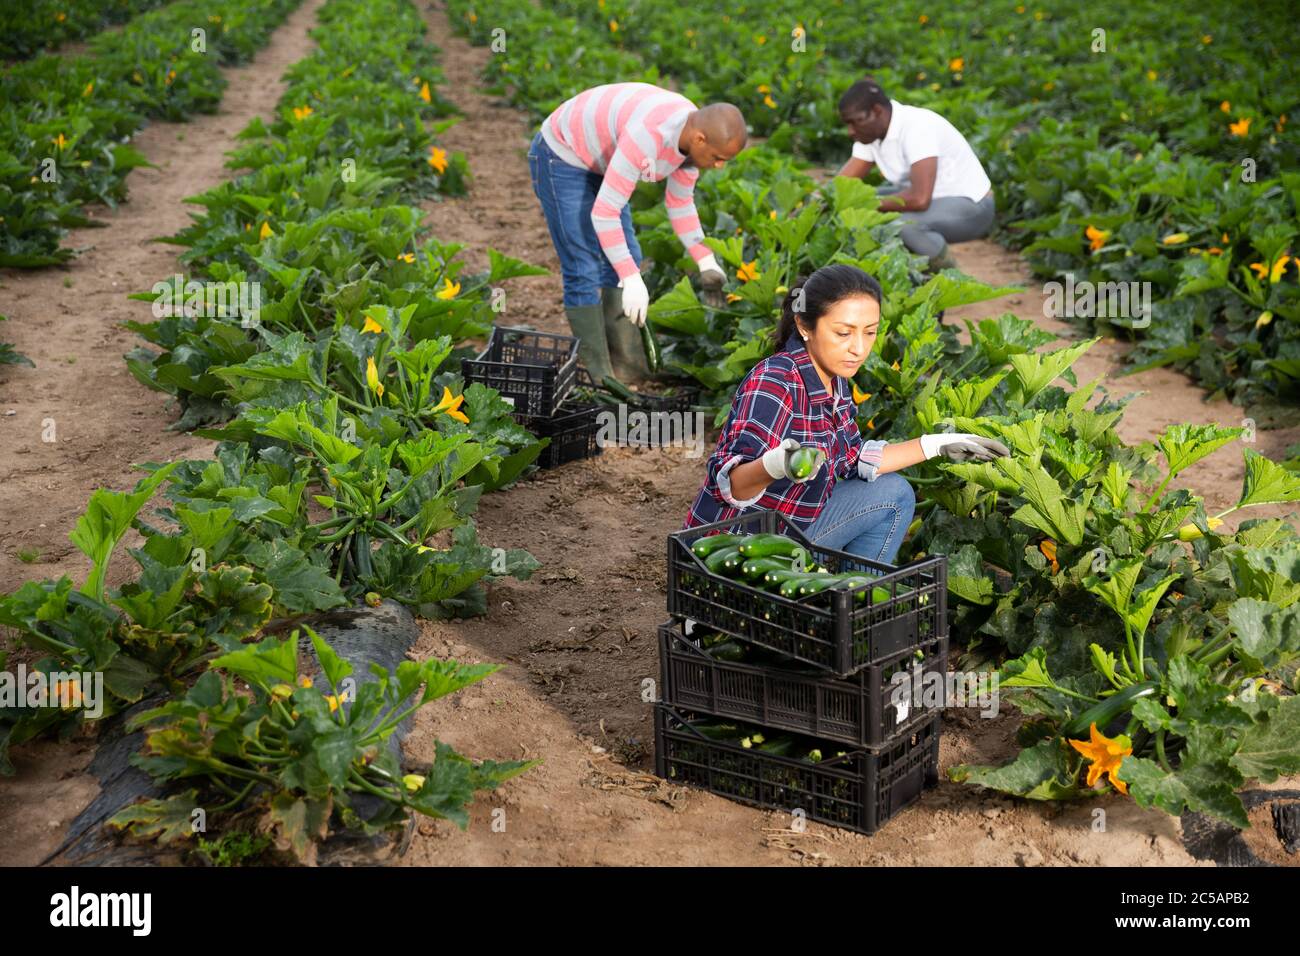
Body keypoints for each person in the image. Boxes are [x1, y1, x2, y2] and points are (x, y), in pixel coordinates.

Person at [683, 264, 1010, 563]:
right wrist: (775, 465)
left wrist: (937, 444)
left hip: (788, 529)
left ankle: (853, 601)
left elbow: (851, 459)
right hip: (732, 551)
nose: (859, 348)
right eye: (843, 332)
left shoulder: (833, 381)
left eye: (870, 332)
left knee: (895, 492)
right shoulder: (774, 382)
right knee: (893, 497)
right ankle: (857, 605)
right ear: (804, 325)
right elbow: (735, 486)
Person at [528, 82, 747, 382]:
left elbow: (681, 205)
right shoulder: (648, 137)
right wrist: (631, 278)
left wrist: (706, 261)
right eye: (719, 158)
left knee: (627, 254)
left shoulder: (691, 145)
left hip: (604, 159)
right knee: (584, 265)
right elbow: (605, 212)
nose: (720, 167)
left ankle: (627, 366)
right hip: (563, 154)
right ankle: (599, 375)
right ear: (699, 139)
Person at [835, 79, 994, 273]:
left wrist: (866, 205)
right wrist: (818, 201)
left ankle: (944, 275)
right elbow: (842, 186)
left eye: (855, 121)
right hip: (937, 200)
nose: (851, 131)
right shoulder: (869, 134)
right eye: (847, 124)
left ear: (877, 111)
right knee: (863, 194)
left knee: (904, 225)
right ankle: (910, 266)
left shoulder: (916, 127)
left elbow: (919, 199)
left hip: (973, 207)